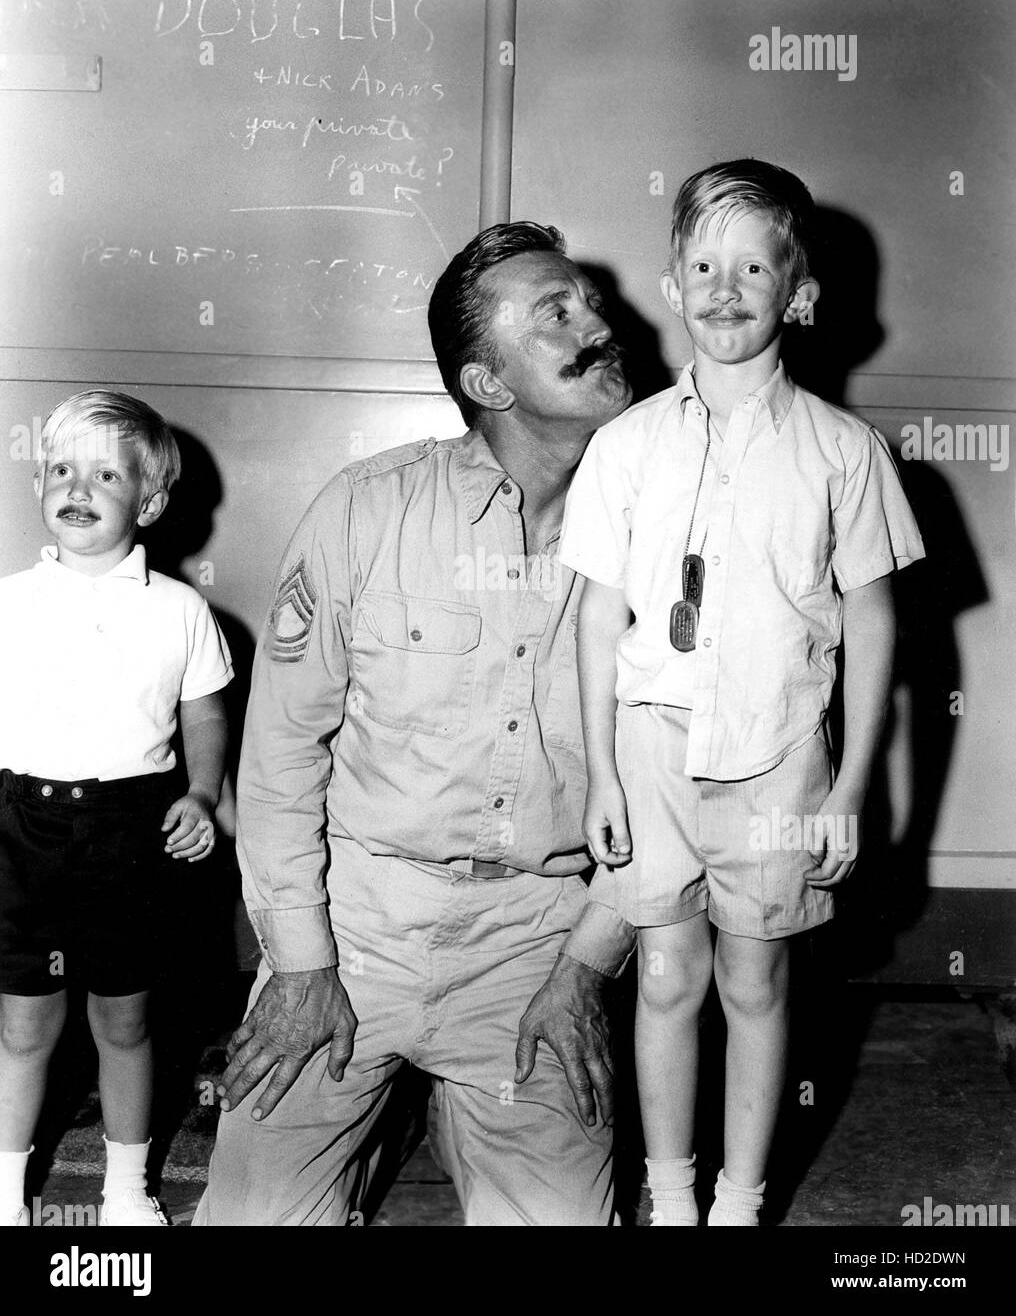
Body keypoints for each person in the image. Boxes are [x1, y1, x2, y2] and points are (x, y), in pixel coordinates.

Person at [195, 222, 637, 1227]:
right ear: (487, 385)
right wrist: (302, 963)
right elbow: (274, 764)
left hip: (538, 937)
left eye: (590, 302)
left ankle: (466, 1111)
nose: (599, 325)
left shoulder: (668, 526)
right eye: (556, 314)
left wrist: (587, 967)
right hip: (358, 925)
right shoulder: (366, 510)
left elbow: (681, 777)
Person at [561, 159, 925, 1226]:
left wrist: (848, 786)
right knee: (664, 977)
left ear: (797, 293)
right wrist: (599, 776)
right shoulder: (622, 447)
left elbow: (870, 622)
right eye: (704, 264)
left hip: (776, 760)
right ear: (671, 282)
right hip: (650, 752)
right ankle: (669, 1198)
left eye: (754, 265)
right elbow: (594, 620)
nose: (726, 287)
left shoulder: (842, 454)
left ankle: (738, 1202)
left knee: (754, 984)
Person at [0, 391, 232, 1227]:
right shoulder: (10, 600)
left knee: (123, 1022)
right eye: (62, 468)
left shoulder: (179, 607)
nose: (79, 486)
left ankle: (126, 1188)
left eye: (105, 473)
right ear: (39, 485)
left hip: (128, 832)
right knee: (24, 1025)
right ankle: (5, 1193)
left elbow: (204, 713)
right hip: (22, 824)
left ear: (151, 501)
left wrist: (201, 794)